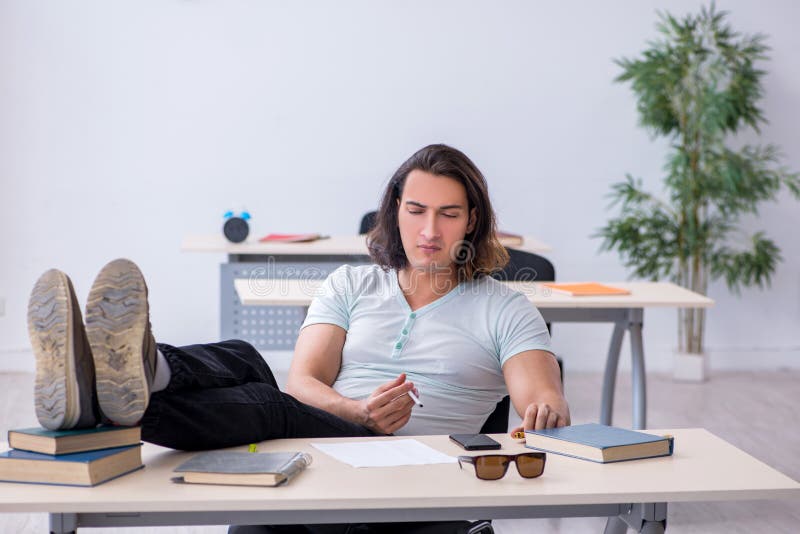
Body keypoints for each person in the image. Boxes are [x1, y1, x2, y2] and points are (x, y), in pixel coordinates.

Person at [26, 144, 570, 533]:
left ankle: (104, 395)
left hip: (411, 468)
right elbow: (303, 380)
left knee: (268, 406)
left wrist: (543, 411)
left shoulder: (504, 307)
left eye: (449, 214)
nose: (430, 231)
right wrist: (357, 410)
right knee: (244, 357)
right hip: (332, 434)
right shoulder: (352, 281)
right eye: (417, 211)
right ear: (395, 212)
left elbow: (540, 396)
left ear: (472, 221)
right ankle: (141, 373)